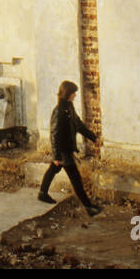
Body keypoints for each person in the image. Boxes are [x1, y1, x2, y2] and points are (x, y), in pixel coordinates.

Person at [38, 80, 102, 216]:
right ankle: (88, 207)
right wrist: (56, 156)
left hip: (67, 149)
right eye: (74, 93)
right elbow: (54, 135)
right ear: (68, 94)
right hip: (63, 152)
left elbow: (78, 124)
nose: (75, 96)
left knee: (54, 169)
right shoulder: (59, 111)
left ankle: (42, 193)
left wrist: (93, 137)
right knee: (76, 179)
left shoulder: (69, 107)